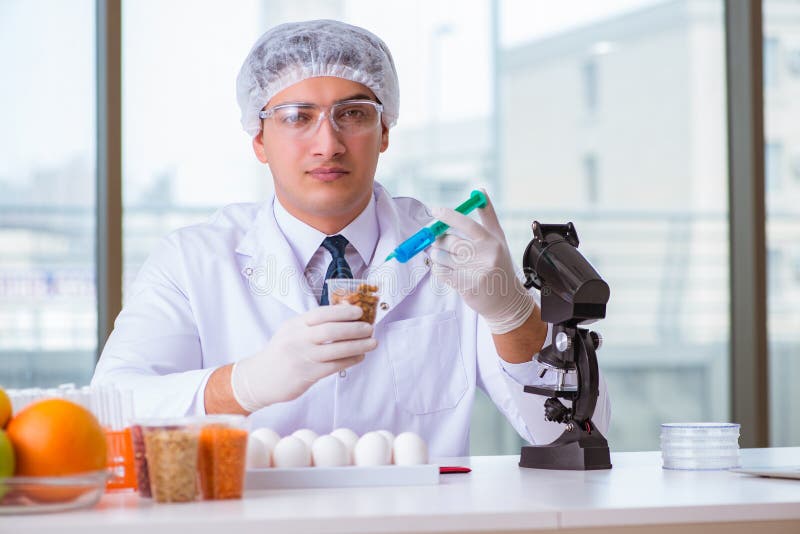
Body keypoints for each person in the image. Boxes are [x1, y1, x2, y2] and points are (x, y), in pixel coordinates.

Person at [92, 19, 610, 457]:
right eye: (297, 117)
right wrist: (243, 383)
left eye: (353, 113)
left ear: (384, 131)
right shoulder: (191, 260)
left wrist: (511, 312)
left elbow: (571, 434)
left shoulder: (455, 256)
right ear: (258, 140)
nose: (328, 142)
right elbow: (110, 408)